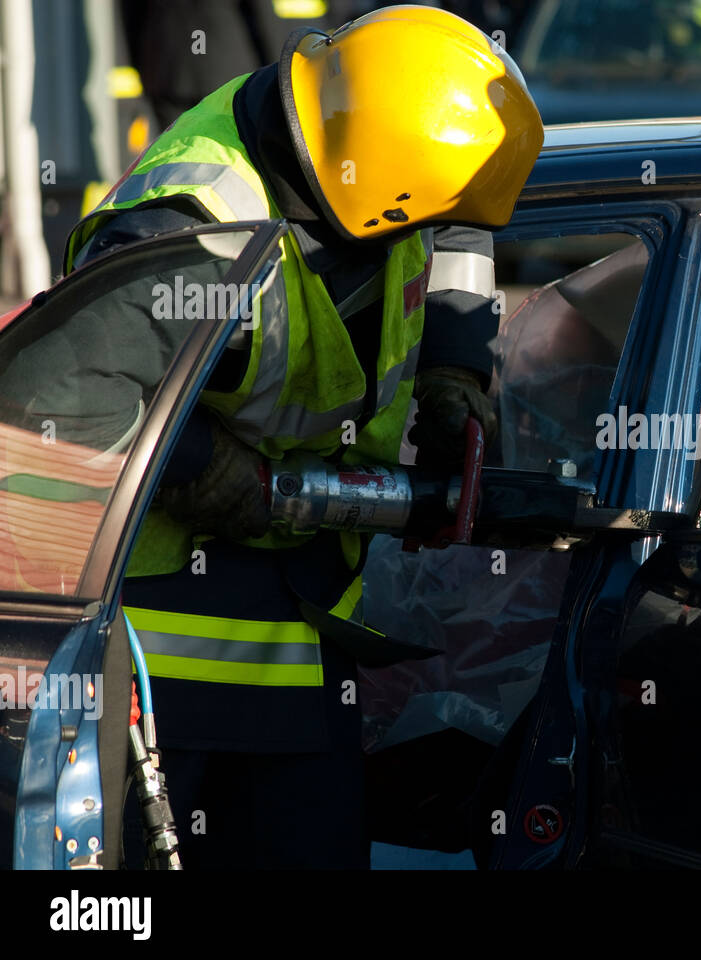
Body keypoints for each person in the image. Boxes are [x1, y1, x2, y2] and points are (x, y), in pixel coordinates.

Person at [63, 4, 543, 868]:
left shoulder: (371, 144)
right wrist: (206, 470)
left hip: (302, 634)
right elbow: (65, 407)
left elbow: (462, 220)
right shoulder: (198, 224)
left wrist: (455, 368)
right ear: (384, 193)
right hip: (152, 663)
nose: (433, 235)